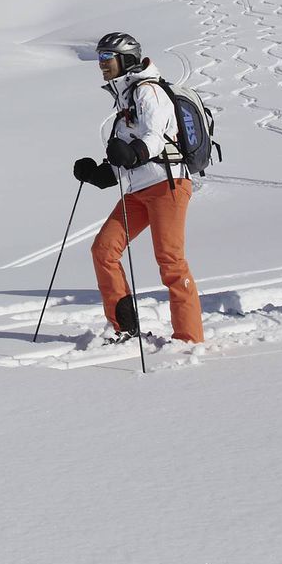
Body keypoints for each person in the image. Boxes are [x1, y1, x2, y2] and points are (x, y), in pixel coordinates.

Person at [71, 32, 205, 344]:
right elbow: (124, 159)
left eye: (107, 58)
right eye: (100, 59)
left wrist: (134, 153)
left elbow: (154, 136)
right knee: (104, 250)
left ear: (126, 59)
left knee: (170, 261)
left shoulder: (149, 91)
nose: (102, 65)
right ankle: (125, 328)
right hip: (138, 189)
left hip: (167, 184)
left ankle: (189, 339)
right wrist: (98, 174)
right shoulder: (125, 99)